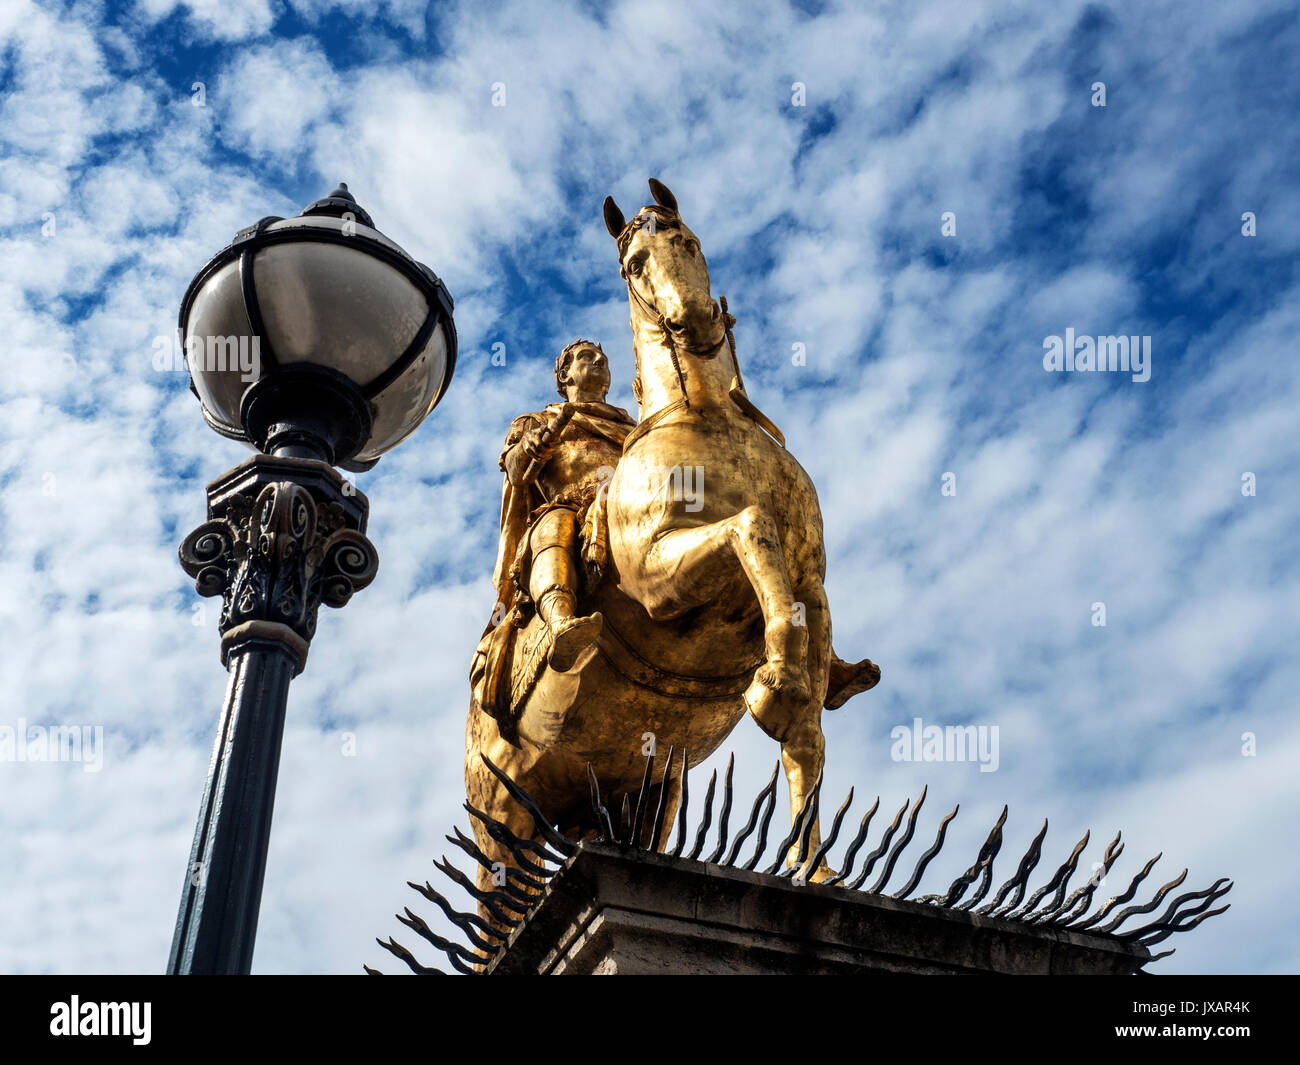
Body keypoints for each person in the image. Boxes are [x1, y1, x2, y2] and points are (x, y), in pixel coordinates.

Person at [470, 339, 635, 734]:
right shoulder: (538, 420)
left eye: (603, 358)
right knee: (554, 524)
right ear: (564, 376)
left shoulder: (636, 430)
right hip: (568, 507)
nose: (598, 361)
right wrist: (530, 447)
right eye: (585, 357)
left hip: (626, 506)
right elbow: (514, 468)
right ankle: (561, 622)